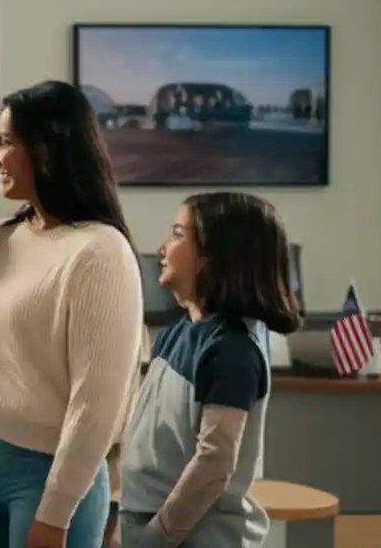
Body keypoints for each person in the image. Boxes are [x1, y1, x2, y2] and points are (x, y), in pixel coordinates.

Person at [0, 80, 145, 548]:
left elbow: (96, 401)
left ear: (46, 148)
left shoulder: (100, 252)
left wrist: (56, 513)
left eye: (4, 142)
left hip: (47, 483)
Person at [118, 193, 303, 547]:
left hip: (191, 534)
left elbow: (215, 463)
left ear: (214, 254)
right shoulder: (178, 333)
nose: (161, 248)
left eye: (176, 234)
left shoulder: (231, 349)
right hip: (145, 520)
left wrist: (156, 536)